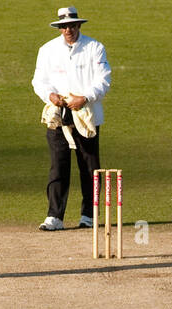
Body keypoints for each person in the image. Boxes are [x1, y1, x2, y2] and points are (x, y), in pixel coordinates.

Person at [31, 7, 111, 231]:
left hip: (86, 115)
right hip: (58, 115)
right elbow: (39, 81)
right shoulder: (47, 50)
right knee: (58, 165)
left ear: (79, 26)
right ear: (59, 27)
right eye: (64, 26)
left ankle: (89, 215)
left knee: (89, 166)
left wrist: (85, 98)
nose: (69, 30)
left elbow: (103, 80)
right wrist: (50, 96)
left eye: (73, 25)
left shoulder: (94, 47)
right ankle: (54, 216)